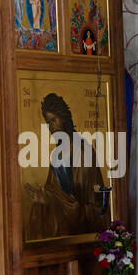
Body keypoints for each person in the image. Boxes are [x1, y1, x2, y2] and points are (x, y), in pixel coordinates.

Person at [24, 93, 108, 241]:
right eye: (48, 123)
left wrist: (68, 206)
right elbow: (54, 192)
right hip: (63, 230)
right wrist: (44, 198)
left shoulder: (84, 151)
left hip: (82, 235)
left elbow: (97, 206)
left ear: (64, 118)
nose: (51, 127)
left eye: (54, 120)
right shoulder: (57, 155)